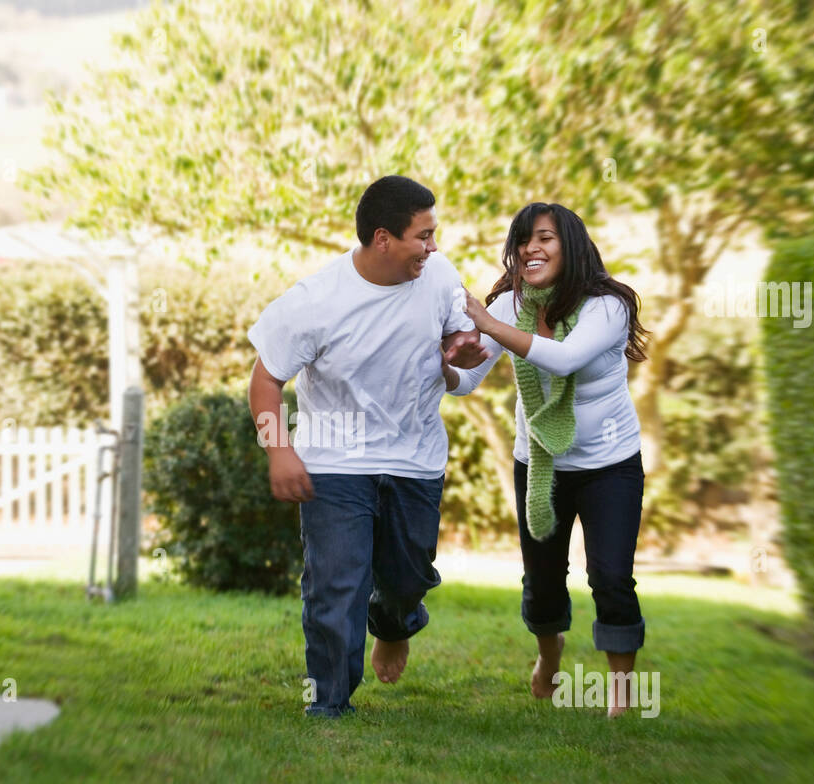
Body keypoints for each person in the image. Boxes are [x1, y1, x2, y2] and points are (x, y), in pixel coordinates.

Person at [247, 175, 488, 717]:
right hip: (335, 459)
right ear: (383, 239)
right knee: (335, 584)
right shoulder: (315, 301)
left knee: (409, 576)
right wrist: (279, 450)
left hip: (415, 456)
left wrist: (462, 349)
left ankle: (394, 621)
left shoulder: (439, 274)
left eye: (434, 235)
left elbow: (455, 337)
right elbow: (265, 382)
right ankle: (329, 702)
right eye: (422, 236)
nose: (433, 248)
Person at [450, 202, 651, 717]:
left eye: (545, 238)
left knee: (610, 575)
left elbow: (562, 357)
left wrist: (488, 325)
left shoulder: (606, 305)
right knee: (542, 577)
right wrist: (448, 362)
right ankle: (548, 656)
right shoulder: (509, 305)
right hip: (539, 462)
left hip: (609, 464)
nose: (530, 249)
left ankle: (622, 689)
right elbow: (466, 384)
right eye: (522, 240)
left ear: (571, 245)